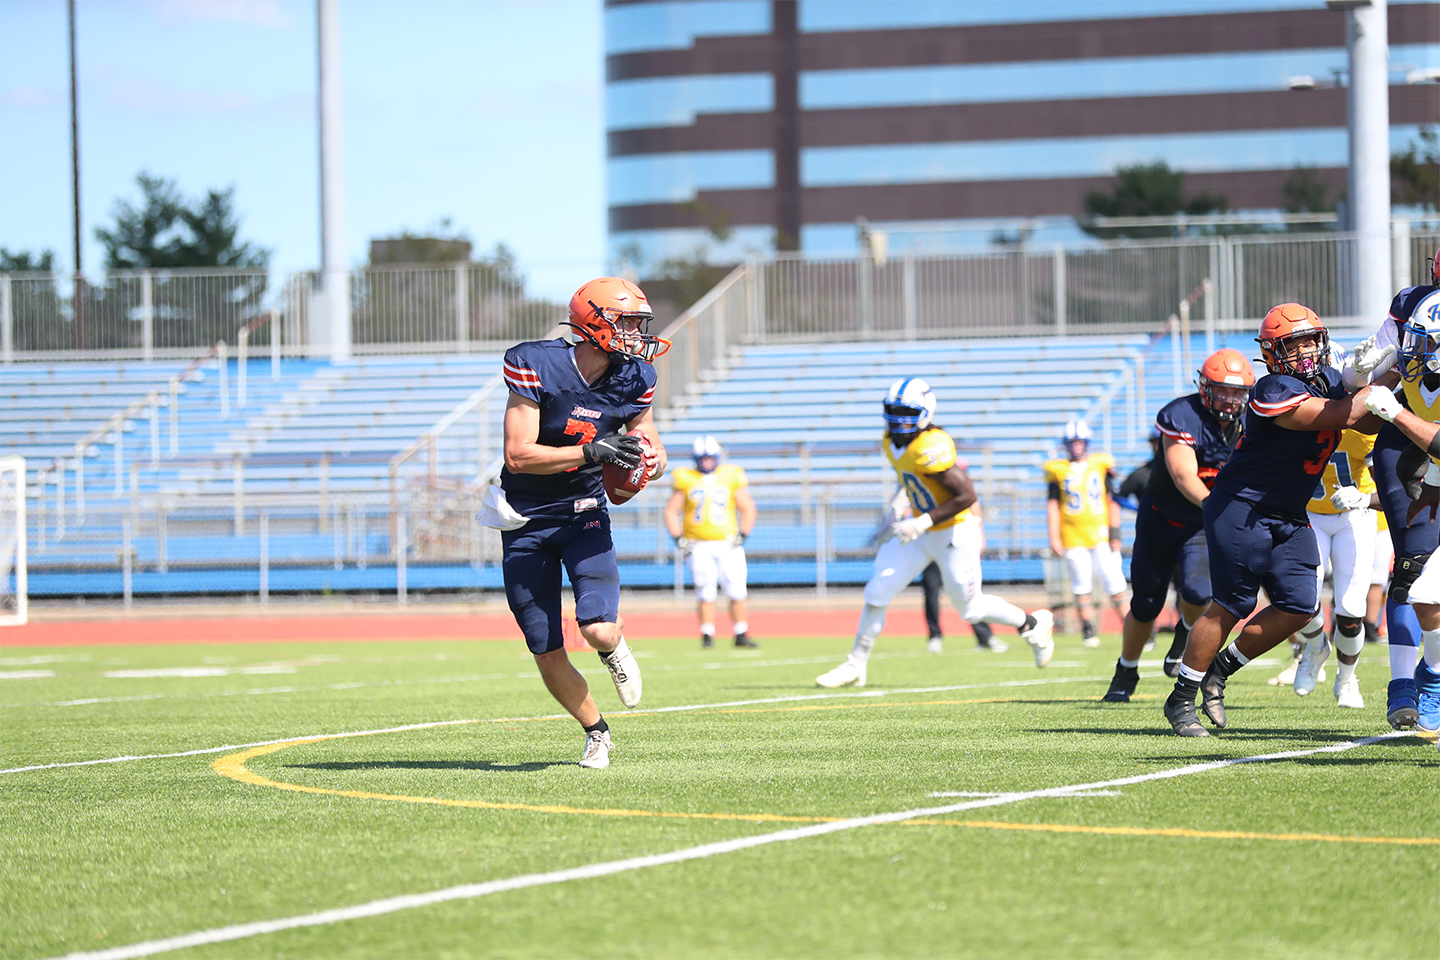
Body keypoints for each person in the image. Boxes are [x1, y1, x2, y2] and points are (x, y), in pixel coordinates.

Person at [1161, 304, 1380, 737]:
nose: (1303, 351)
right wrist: (1393, 367)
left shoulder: (1331, 381)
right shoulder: (1272, 388)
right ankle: (1181, 700)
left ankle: (1218, 672)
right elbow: (1344, 415)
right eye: (1292, 344)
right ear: (1272, 352)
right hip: (1242, 506)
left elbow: (1373, 414)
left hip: (1288, 512)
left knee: (1300, 606)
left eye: (1309, 341)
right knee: (1232, 604)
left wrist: (1400, 384)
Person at [493, 276, 669, 769]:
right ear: (594, 322)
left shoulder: (636, 376)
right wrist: (592, 450)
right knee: (545, 647)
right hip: (525, 519)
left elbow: (648, 437)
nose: (637, 333)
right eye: (627, 322)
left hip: (584, 513)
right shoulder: (536, 364)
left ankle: (615, 649)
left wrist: (649, 463)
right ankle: (597, 732)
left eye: (639, 322)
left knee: (597, 630)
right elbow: (519, 455)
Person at [816, 378, 1053, 688]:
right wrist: (900, 507)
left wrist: (922, 521)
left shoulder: (932, 445)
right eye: (894, 410)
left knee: (970, 609)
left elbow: (966, 495)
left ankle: (1032, 624)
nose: (899, 418)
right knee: (877, 591)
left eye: (906, 411)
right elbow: (914, 479)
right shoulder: (891, 442)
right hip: (920, 531)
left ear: (925, 412)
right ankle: (855, 664)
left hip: (953, 532)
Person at [1103, 348, 1253, 703]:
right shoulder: (1181, 414)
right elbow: (1183, 473)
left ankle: (1185, 631)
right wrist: (1218, 508)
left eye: (1237, 392)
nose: (1230, 399)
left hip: (1201, 524)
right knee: (1146, 603)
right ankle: (1126, 668)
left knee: (1199, 593)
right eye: (1223, 390)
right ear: (1205, 387)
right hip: (1162, 518)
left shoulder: (1252, 421)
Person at [1334, 247, 1440, 728]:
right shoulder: (1409, 310)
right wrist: (1362, 368)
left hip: (1420, 429)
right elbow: (1356, 377)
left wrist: (1393, 410)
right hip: (1411, 446)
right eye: (1418, 339)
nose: (1423, 349)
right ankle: (1406, 685)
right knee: (1413, 572)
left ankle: (1430, 671)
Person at [1284, 429, 1379, 708]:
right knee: (1301, 602)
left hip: (1355, 515)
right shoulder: (1301, 418)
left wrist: (1363, 498)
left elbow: (1392, 490)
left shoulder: (1365, 428)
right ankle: (1315, 648)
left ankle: (1347, 679)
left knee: (1351, 609)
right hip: (1309, 512)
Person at [665, 435, 758, 649]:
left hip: (728, 543)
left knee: (737, 588)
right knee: (705, 590)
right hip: (698, 544)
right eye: (702, 458)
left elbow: (748, 507)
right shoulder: (685, 477)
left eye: (709, 457)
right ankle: (707, 635)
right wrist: (678, 538)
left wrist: (743, 534)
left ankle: (740, 633)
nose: (706, 461)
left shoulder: (730, 476)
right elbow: (671, 511)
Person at [1044, 419, 1129, 648]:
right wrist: (1053, 536)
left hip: (1100, 533)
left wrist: (1115, 532)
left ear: (1087, 443)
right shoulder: (1058, 470)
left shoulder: (1100, 465)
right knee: (1081, 584)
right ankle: (1089, 630)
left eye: (1080, 441)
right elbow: (1052, 506)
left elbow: (1112, 502)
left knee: (1114, 582)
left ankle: (1131, 627)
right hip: (1072, 535)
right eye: (1072, 442)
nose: (1076, 446)